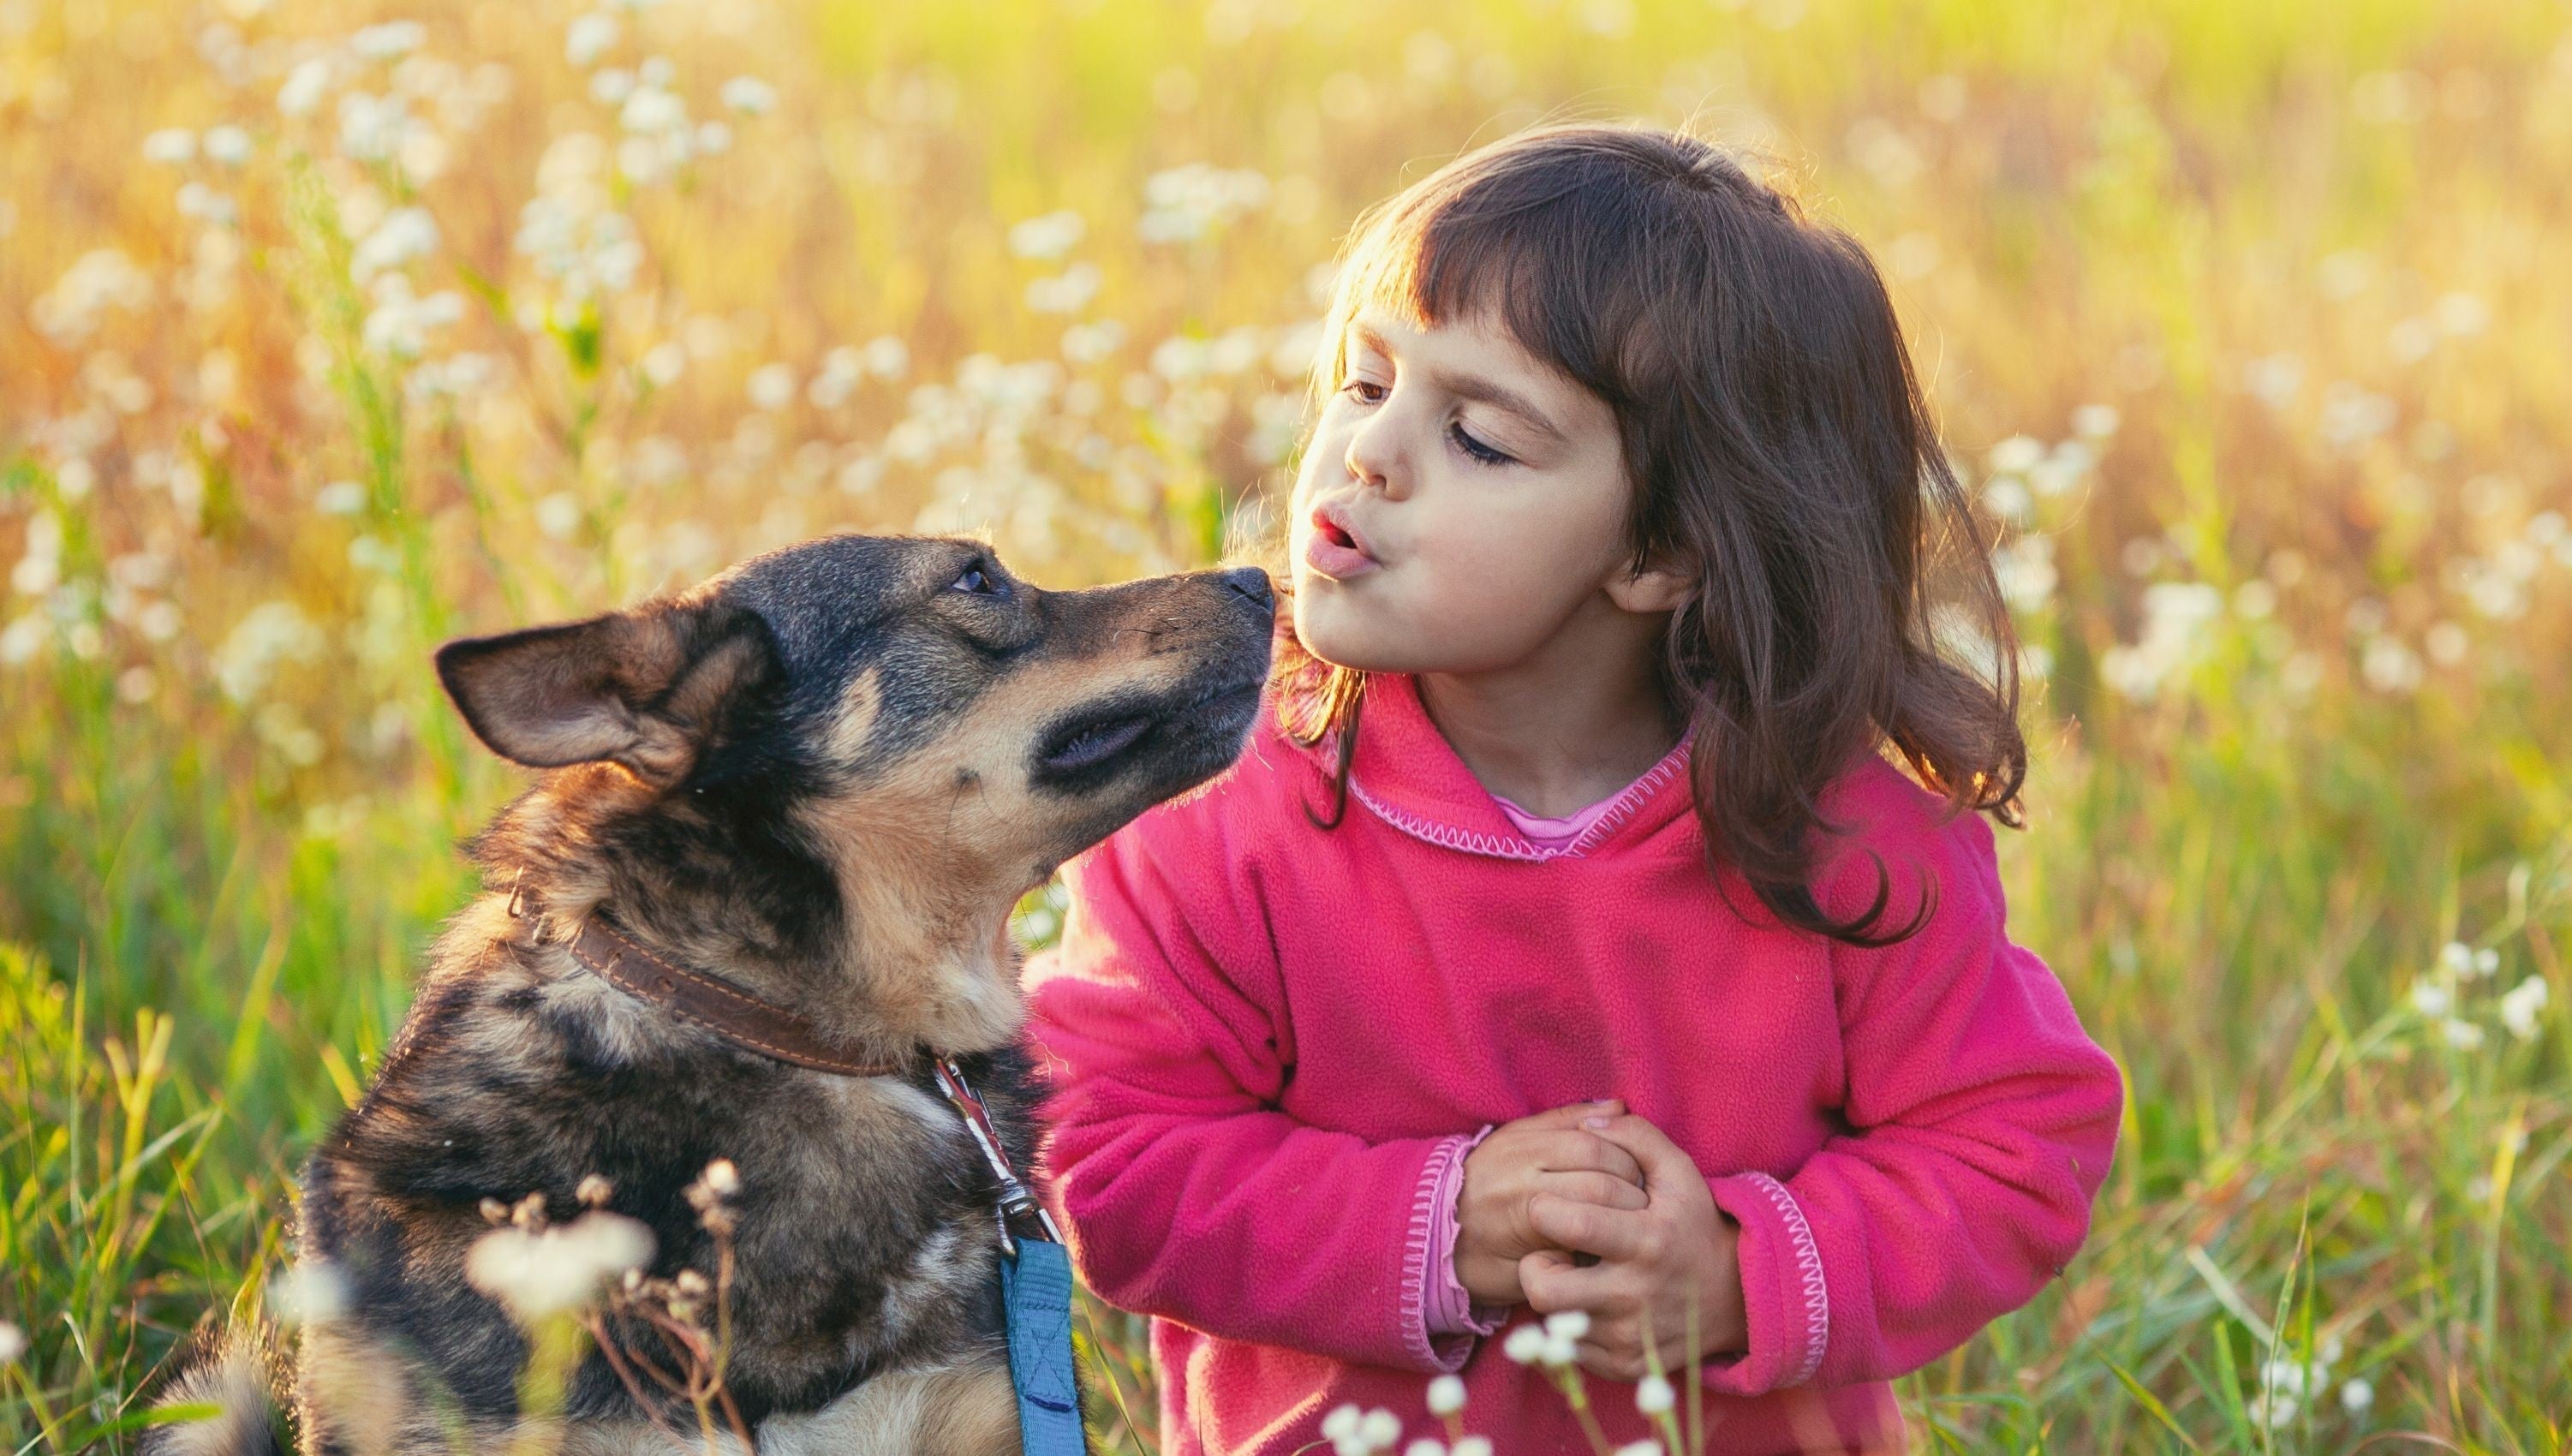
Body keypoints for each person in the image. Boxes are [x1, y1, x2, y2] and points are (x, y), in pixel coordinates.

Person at [1022, 122, 2125, 1455]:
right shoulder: (1215, 809)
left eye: (1481, 437)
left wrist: (1736, 1275)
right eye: (1365, 383)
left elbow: (2013, 1146)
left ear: (1663, 552)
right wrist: (1438, 1224)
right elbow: (1102, 1155)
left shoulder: (1846, 841)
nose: (1368, 454)